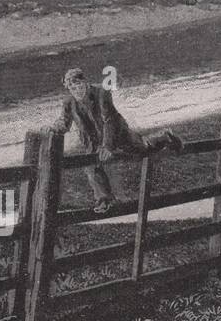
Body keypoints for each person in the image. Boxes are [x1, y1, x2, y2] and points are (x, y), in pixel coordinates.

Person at [50, 68, 184, 214]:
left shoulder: (102, 94)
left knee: (142, 148)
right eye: (71, 87)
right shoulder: (69, 102)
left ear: (85, 83)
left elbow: (109, 121)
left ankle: (165, 137)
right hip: (92, 140)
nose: (76, 90)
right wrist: (55, 128)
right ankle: (104, 200)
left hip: (118, 133)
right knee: (92, 165)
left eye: (78, 85)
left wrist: (107, 146)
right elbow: (65, 121)